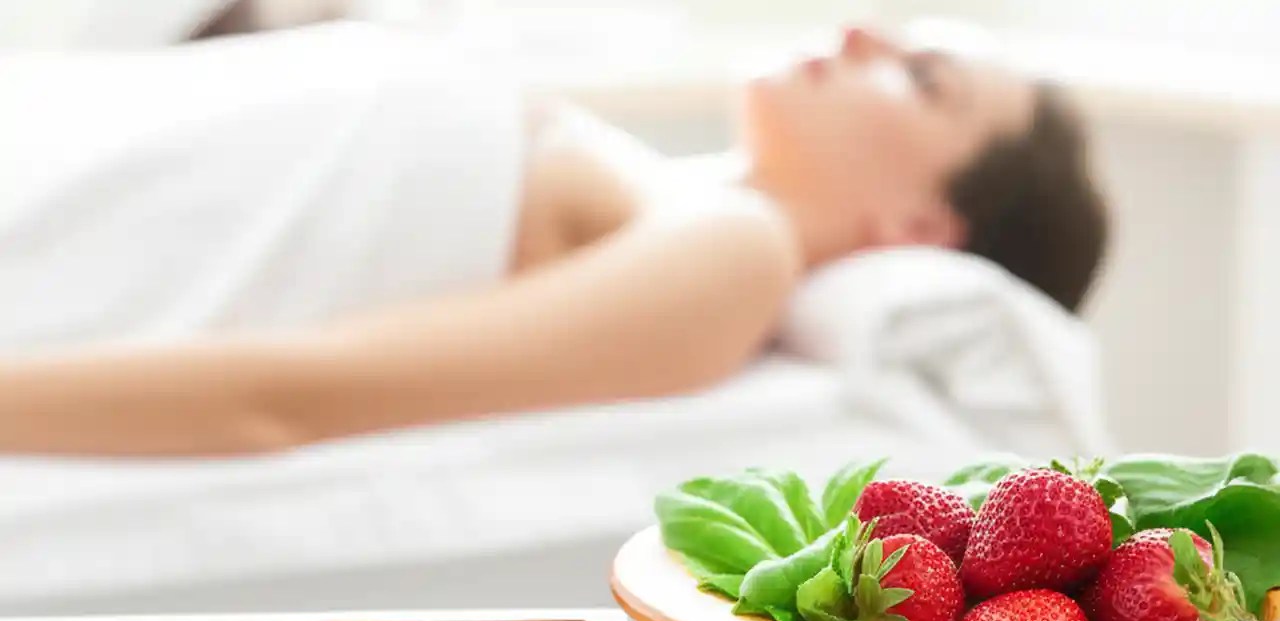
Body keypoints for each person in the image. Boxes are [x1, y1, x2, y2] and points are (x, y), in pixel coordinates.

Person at [0, 23, 1106, 456]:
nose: (863, 30)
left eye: (919, 80)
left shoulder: (734, 252)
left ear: (918, 228)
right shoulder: (657, 190)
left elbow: (292, 394)